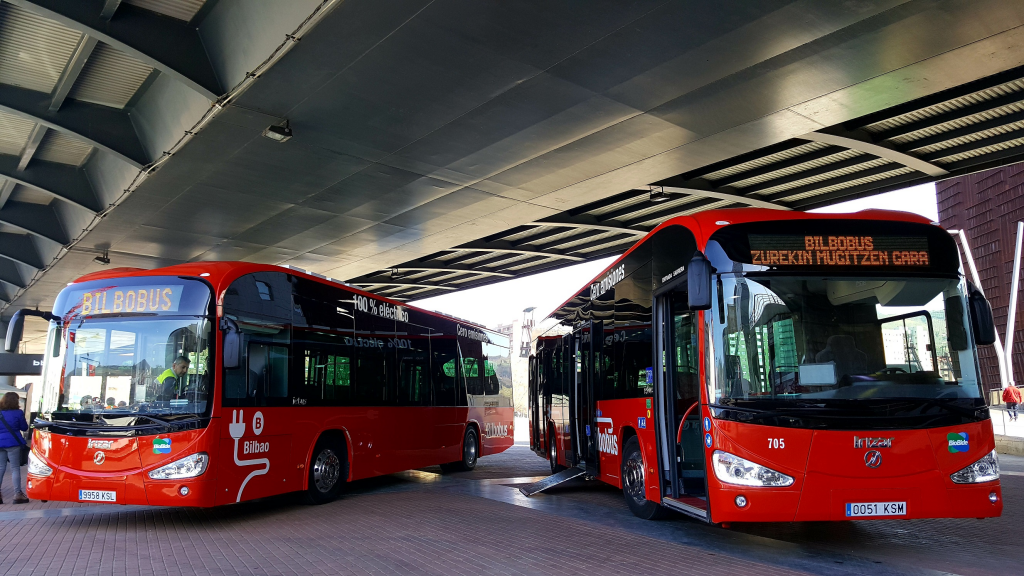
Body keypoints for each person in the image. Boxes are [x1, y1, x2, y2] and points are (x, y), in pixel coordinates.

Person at [0, 392, 29, 504]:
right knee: (15, 468)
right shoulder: (18, 413)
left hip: (0, 443)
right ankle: (18, 494)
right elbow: (24, 427)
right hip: (13, 443)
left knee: (1, 467)